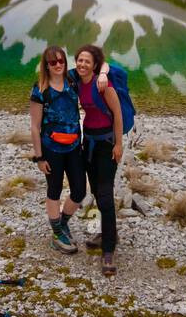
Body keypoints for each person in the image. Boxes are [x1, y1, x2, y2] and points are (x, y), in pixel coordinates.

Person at [72, 44, 123, 276]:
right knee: (96, 190)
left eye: (87, 62)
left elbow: (118, 114)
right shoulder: (77, 79)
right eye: (79, 60)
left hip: (105, 144)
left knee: (105, 194)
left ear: (94, 65)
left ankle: (109, 250)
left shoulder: (103, 85)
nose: (82, 64)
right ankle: (107, 232)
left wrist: (119, 144)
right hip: (88, 142)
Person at [29, 45, 85, 253]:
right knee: (54, 190)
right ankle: (57, 234)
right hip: (51, 148)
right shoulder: (40, 89)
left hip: (74, 146)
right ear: (46, 65)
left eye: (61, 61)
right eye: (53, 62)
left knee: (79, 190)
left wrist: (105, 73)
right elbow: (35, 127)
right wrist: (39, 157)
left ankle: (62, 223)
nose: (58, 65)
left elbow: (99, 64)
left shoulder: (73, 80)